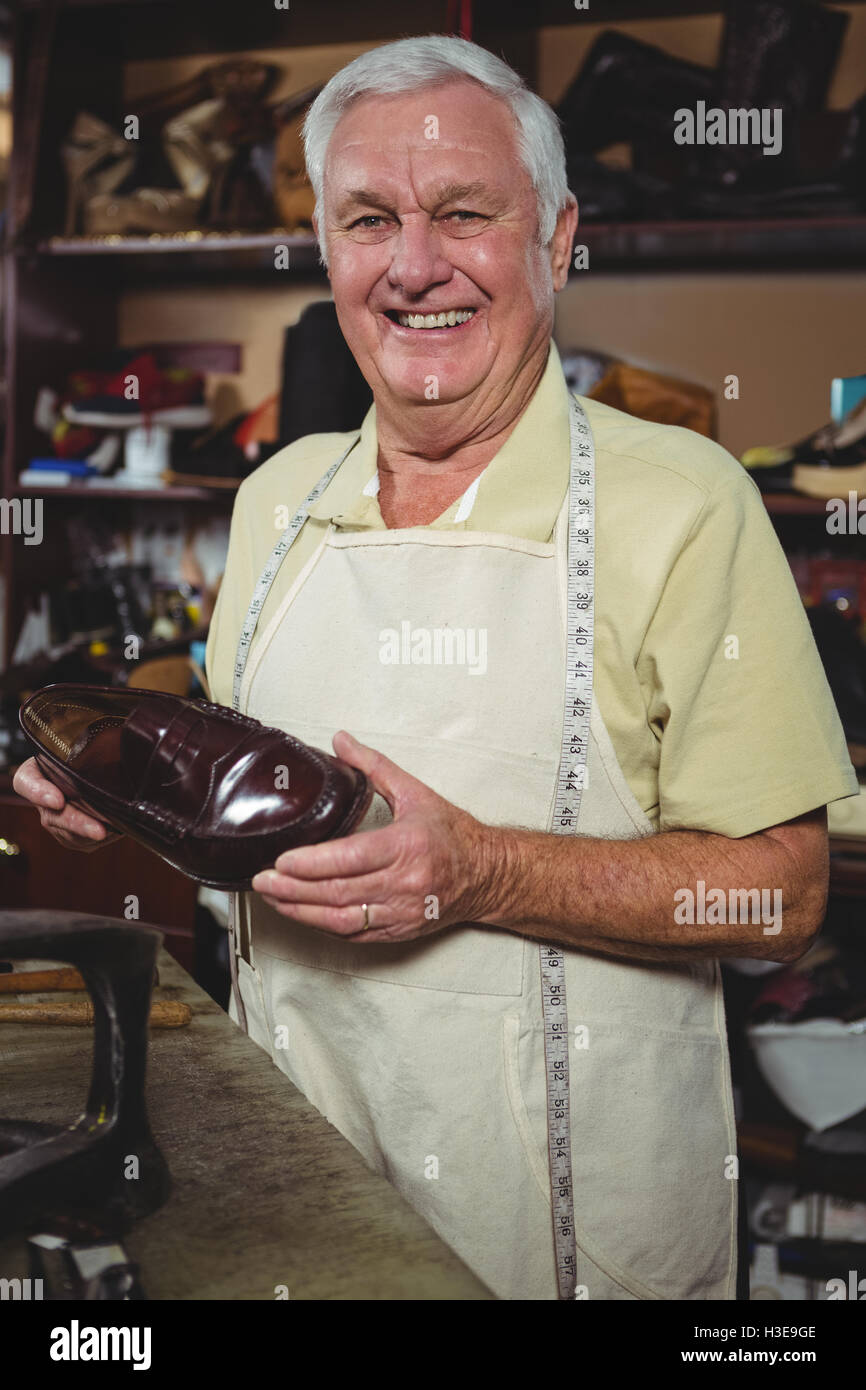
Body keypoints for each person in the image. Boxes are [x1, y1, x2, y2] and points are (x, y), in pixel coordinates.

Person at [16, 35, 857, 1301]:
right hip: (289, 1198)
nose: (413, 267)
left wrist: (481, 870)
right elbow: (246, 810)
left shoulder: (684, 503)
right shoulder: (276, 501)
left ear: (557, 237)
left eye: (463, 213)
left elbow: (780, 898)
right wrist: (116, 793)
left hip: (564, 1242)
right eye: (368, 220)